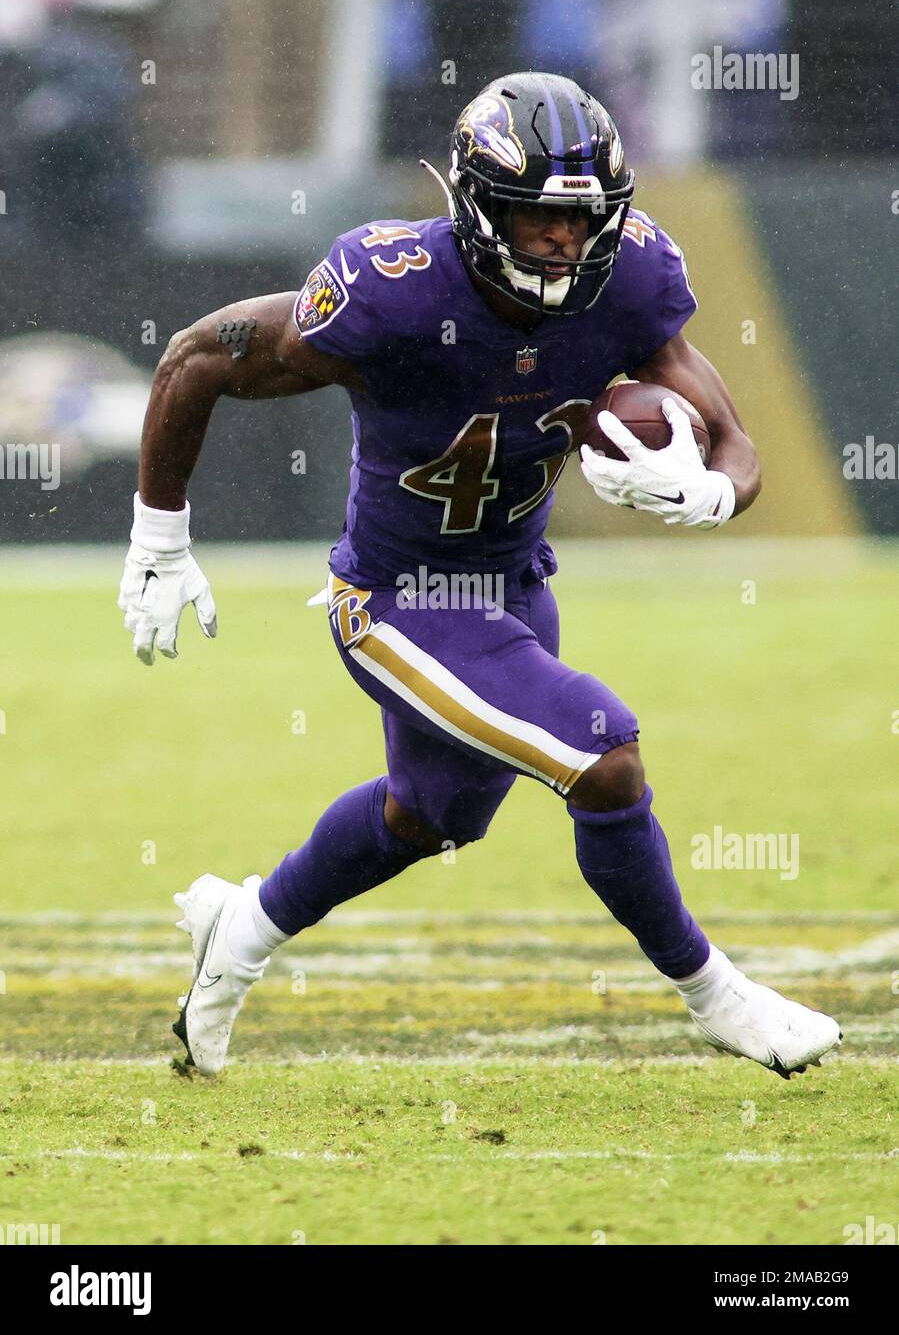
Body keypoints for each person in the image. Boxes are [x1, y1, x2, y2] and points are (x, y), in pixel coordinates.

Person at [118, 72, 840, 1080]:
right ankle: (715, 994)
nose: (561, 243)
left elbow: (729, 437)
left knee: (430, 815)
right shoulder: (392, 285)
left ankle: (235, 931)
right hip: (397, 598)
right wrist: (160, 535)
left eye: (581, 220)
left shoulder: (630, 278)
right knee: (603, 755)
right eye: (537, 219)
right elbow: (197, 356)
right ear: (476, 205)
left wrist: (714, 493)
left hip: (512, 585)